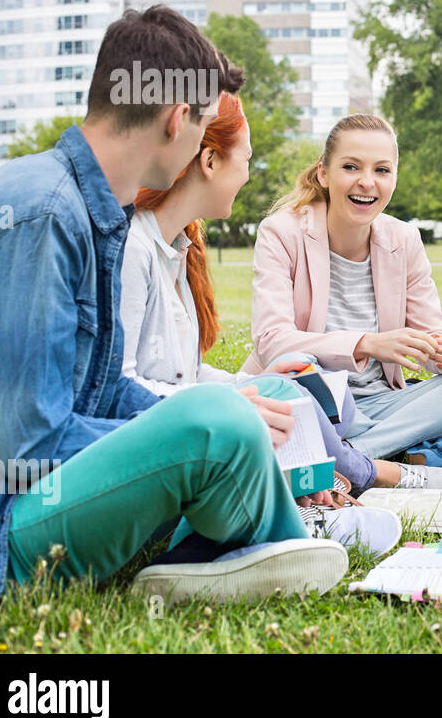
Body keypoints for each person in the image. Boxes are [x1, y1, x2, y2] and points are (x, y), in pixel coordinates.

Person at [0, 6, 346, 627]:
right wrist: (194, 430)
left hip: (35, 501)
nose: (202, 142)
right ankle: (266, 546)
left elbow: (104, 388)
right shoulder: (41, 211)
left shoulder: (95, 214)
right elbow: (35, 445)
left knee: (238, 406)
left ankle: (240, 546)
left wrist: (210, 417)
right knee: (214, 417)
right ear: (176, 119)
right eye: (203, 124)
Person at [116, 92, 402, 552]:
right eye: (245, 159)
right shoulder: (133, 251)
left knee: (282, 387)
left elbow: (180, 375)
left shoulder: (177, 252)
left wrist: (248, 383)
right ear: (210, 160)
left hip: (183, 433)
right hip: (144, 451)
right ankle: (277, 520)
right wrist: (235, 401)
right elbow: (116, 390)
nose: (247, 175)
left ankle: (302, 503)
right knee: (264, 400)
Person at [246, 113, 442, 465]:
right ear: (324, 173)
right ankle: (385, 446)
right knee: (299, 366)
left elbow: (431, 342)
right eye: (351, 167)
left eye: (381, 170)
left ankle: (356, 455)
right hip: (313, 399)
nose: (367, 182)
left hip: (383, 405)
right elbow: (272, 340)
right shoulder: (281, 232)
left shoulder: (404, 239)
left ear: (394, 178)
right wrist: (367, 344)